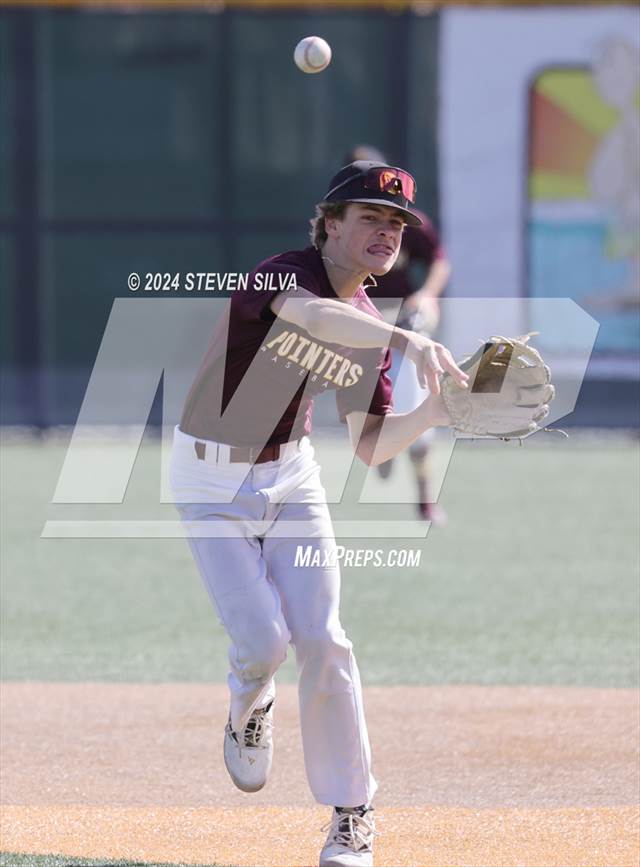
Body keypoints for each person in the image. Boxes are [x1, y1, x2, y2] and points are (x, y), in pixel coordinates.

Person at [169, 160, 468, 867]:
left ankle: (352, 812)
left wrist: (438, 409)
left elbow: (372, 445)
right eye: (370, 217)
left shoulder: (368, 326)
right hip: (208, 481)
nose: (387, 232)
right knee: (263, 642)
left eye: (397, 223)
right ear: (330, 225)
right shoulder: (284, 273)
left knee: (326, 638)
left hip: (293, 477)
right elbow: (308, 314)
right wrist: (404, 338)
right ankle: (250, 698)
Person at [346, 146, 452, 525]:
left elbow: (439, 259)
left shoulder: (410, 224)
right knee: (374, 420)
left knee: (415, 413)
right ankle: (382, 448)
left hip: (402, 327)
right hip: (359, 331)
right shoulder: (337, 236)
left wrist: (427, 295)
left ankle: (425, 499)